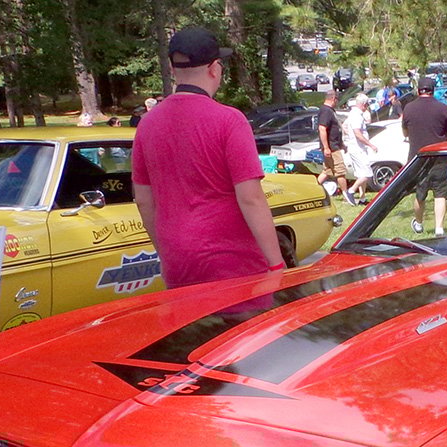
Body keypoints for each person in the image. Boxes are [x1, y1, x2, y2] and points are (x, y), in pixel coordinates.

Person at [132, 26, 284, 288]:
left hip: (178, 261)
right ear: (215, 69)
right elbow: (250, 198)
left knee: (193, 329)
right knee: (241, 330)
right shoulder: (229, 120)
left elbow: (144, 200)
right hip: (234, 261)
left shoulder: (147, 124)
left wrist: (167, 252)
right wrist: (276, 264)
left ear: (171, 68)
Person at [401, 75, 447, 236]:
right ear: (433, 90)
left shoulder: (408, 108)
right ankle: (439, 228)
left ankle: (418, 223)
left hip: (418, 159)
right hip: (438, 157)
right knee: (440, 193)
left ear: (418, 90)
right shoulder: (442, 108)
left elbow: (405, 132)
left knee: (420, 193)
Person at [314, 89, 353, 205]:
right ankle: (347, 196)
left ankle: (314, 190)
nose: (337, 102)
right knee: (340, 172)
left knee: (327, 171)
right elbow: (322, 129)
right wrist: (326, 147)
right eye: (337, 100)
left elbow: (334, 130)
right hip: (331, 148)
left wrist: (342, 144)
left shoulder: (330, 111)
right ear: (333, 99)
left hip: (334, 146)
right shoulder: (325, 111)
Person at [342, 93, 376, 203]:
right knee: (367, 173)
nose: (367, 107)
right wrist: (370, 144)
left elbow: (345, 126)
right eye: (367, 105)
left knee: (361, 173)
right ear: (363, 104)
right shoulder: (357, 116)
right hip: (358, 148)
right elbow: (357, 133)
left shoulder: (353, 114)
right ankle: (351, 191)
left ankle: (362, 197)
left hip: (355, 147)